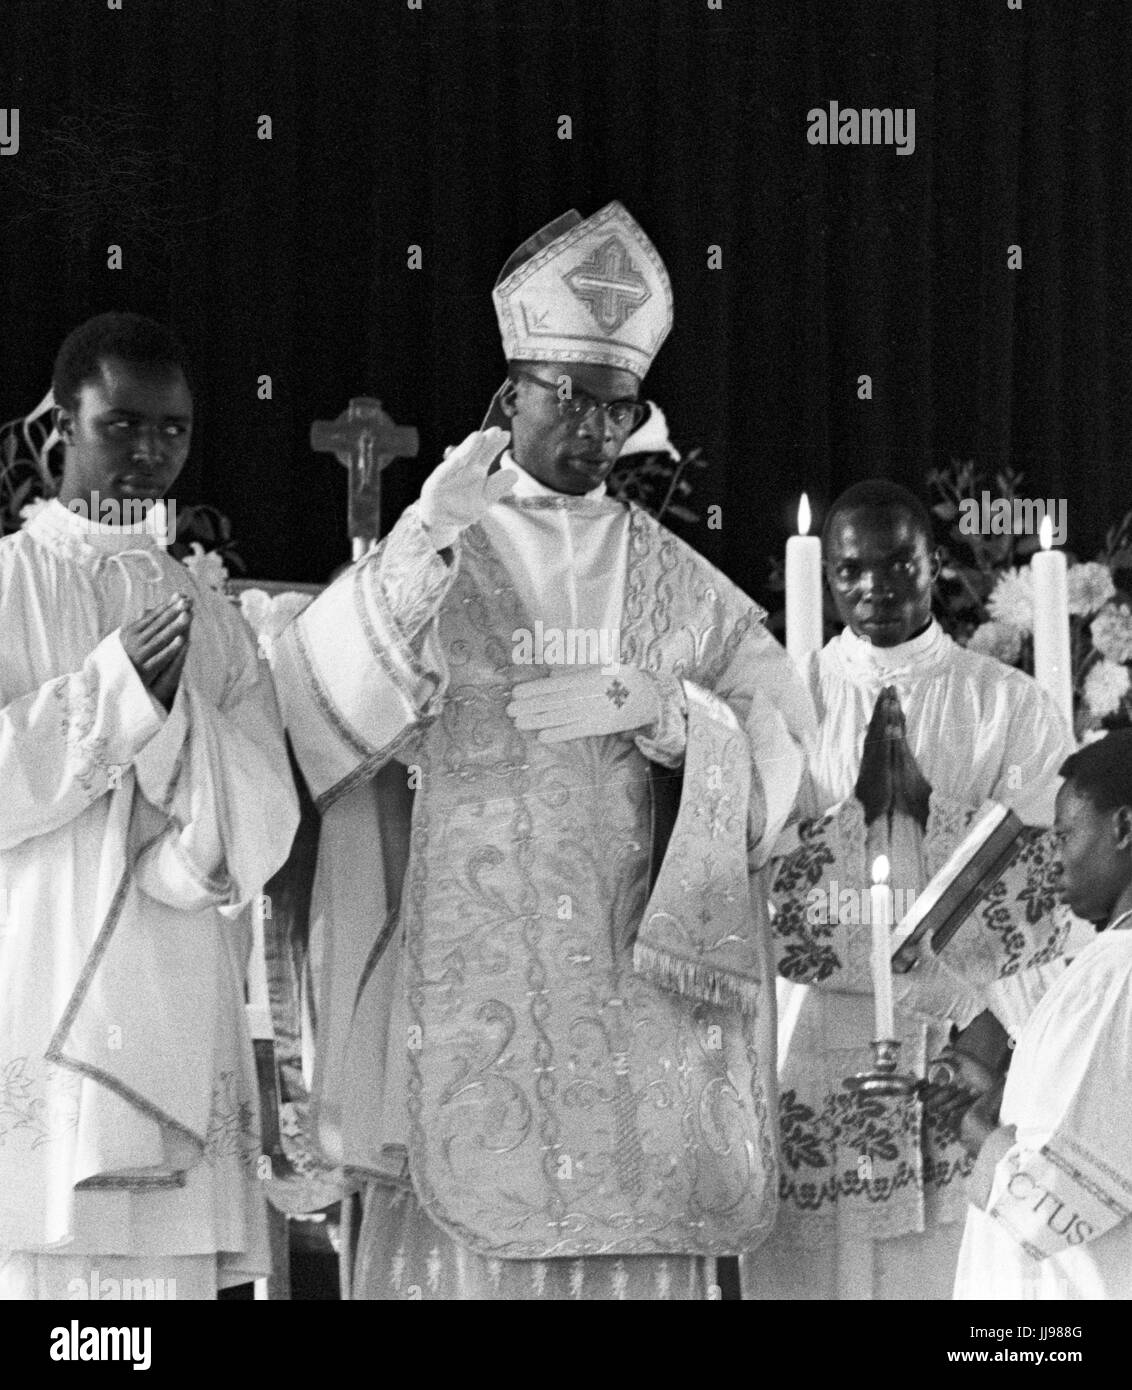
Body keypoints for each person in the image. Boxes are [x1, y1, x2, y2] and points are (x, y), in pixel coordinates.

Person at [273, 202, 816, 1300]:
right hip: (470, 991)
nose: (596, 431)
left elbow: (794, 765)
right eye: (569, 399)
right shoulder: (438, 547)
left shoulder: (679, 583)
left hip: (637, 1001)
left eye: (618, 407)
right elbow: (313, 710)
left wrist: (672, 716)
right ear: (510, 389)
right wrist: (417, 545)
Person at [0, 313, 298, 1300]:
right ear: (58, 436)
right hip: (34, 976)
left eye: (171, 429)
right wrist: (111, 692)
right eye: (121, 424)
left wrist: (178, 742)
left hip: (177, 989)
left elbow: (264, 815)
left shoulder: (209, 613)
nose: (149, 452)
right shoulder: (8, 582)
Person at [741, 479, 1077, 1301]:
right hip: (809, 1037)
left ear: (935, 566)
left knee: (951, 1269)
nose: (875, 589)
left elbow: (1055, 880)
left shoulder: (1005, 704)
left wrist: (994, 1029)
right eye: (852, 571)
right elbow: (758, 863)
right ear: (830, 577)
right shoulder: (784, 705)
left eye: (899, 565)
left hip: (962, 1029)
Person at [954, 729, 1132, 1299]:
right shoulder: (1105, 966)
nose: (1054, 860)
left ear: (1123, 828)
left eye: (1065, 835)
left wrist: (981, 1136)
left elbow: (1054, 1203)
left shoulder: (1115, 976)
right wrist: (1006, 1093)